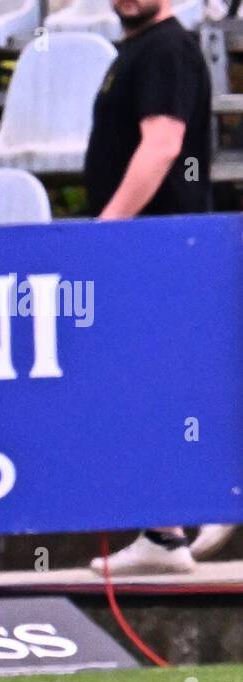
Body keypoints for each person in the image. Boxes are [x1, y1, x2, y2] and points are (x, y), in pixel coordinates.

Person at [83, 0, 231, 576]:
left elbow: (164, 144)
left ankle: (218, 494)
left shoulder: (167, 48)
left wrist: (108, 227)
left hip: (160, 246)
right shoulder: (136, 51)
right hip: (147, 246)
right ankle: (165, 532)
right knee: (152, 387)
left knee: (172, 384)